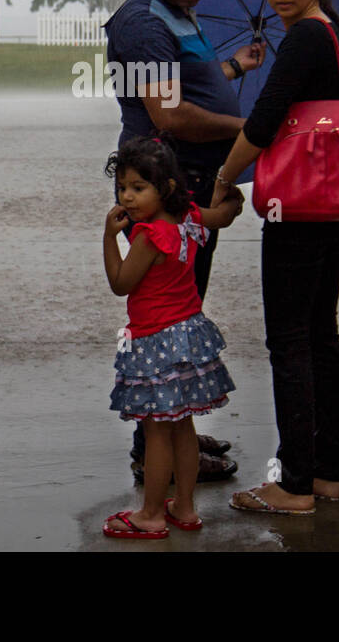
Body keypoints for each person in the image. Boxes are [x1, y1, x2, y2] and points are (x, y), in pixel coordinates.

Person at [103, 0, 264, 482]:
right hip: (165, 188)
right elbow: (167, 114)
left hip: (193, 178)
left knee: (183, 313)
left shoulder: (177, 14)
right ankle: (156, 452)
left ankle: (173, 431)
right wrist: (249, 127)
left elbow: (186, 83)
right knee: (164, 319)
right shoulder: (143, 24)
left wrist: (233, 67)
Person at [209, 0, 339, 515]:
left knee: (290, 341)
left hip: (298, 207)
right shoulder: (336, 34)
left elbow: (264, 124)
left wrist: (224, 177)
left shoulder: (304, 39)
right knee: (321, 336)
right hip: (334, 204)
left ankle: (293, 485)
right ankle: (326, 476)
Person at [101, 137, 243, 539]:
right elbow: (224, 216)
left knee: (156, 430)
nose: (127, 198)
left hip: (154, 342)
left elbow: (120, 283)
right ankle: (184, 506)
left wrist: (109, 238)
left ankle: (150, 514)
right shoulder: (190, 217)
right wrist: (231, 197)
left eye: (138, 188)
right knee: (183, 427)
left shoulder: (148, 236)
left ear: (163, 188)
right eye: (122, 188)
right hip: (189, 334)